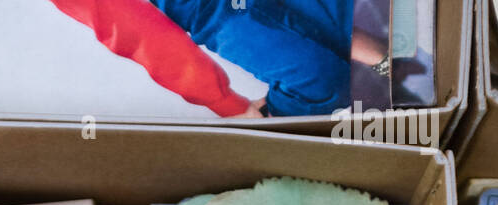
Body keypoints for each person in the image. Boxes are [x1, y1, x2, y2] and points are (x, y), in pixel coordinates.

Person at [50, 0, 388, 119]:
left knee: (351, 21)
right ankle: (274, 121)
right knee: (320, 78)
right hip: (219, 12)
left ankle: (380, 56)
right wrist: (230, 105)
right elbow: (138, 33)